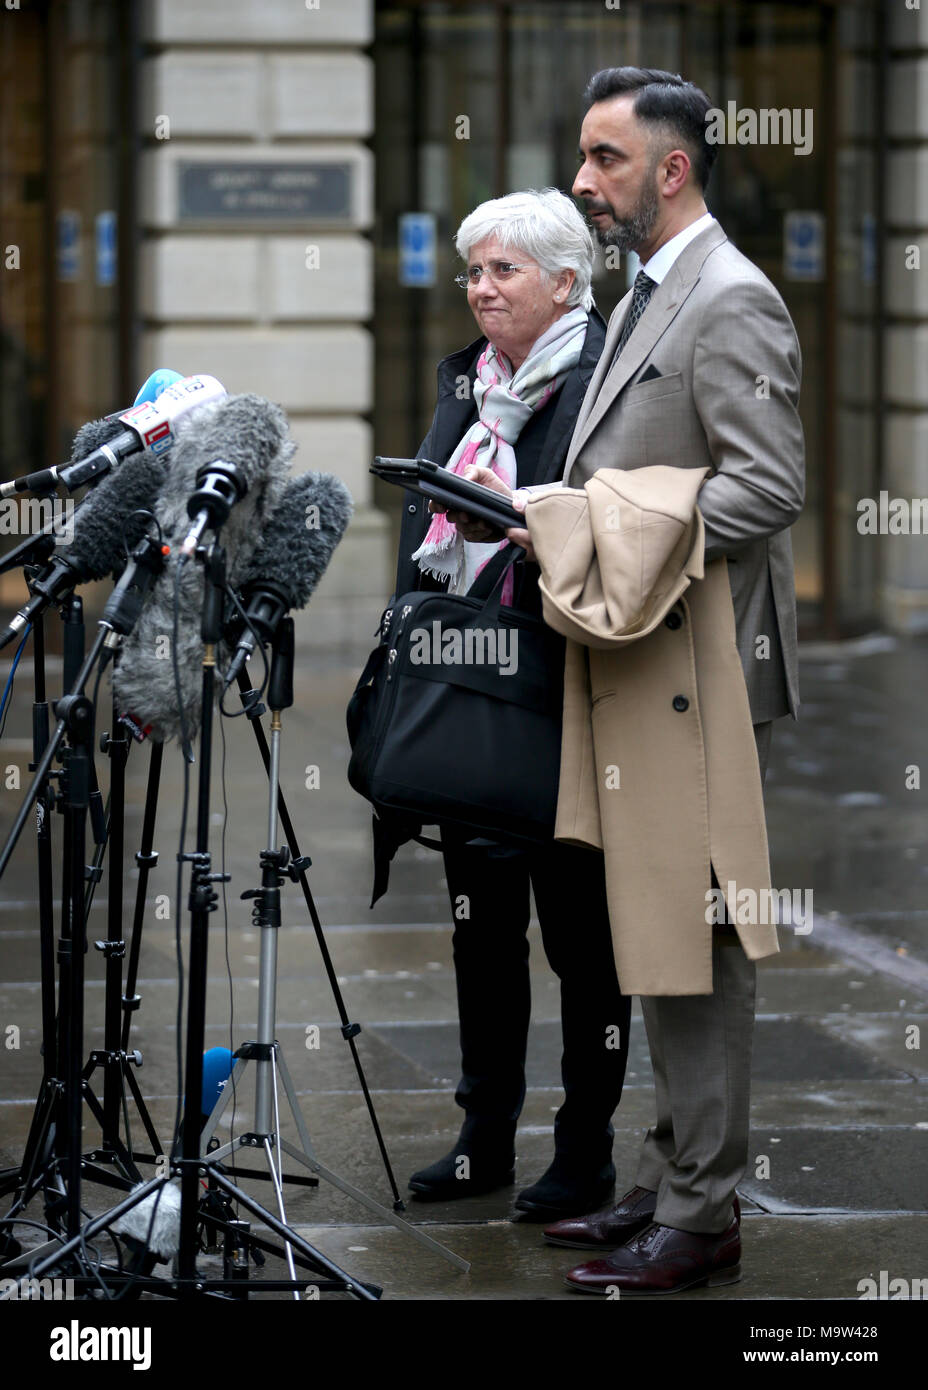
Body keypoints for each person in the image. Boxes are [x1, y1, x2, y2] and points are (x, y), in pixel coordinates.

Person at [467, 70, 804, 1294]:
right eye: (581, 157)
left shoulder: (733, 299)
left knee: (703, 944)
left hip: (697, 675)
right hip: (634, 664)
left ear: (670, 169)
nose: (580, 182)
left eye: (604, 159)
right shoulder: (647, 293)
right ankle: (668, 1179)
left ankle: (704, 1210)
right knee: (651, 932)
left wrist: (599, 525)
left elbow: (767, 488)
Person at [392, 188, 630, 1219]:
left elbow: (627, 527)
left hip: (570, 693)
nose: (481, 290)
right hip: (471, 683)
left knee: (583, 940)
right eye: (472, 272)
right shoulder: (467, 382)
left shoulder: (608, 379)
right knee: (479, 930)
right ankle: (482, 1138)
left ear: (565, 282)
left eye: (502, 272)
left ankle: (584, 1154)